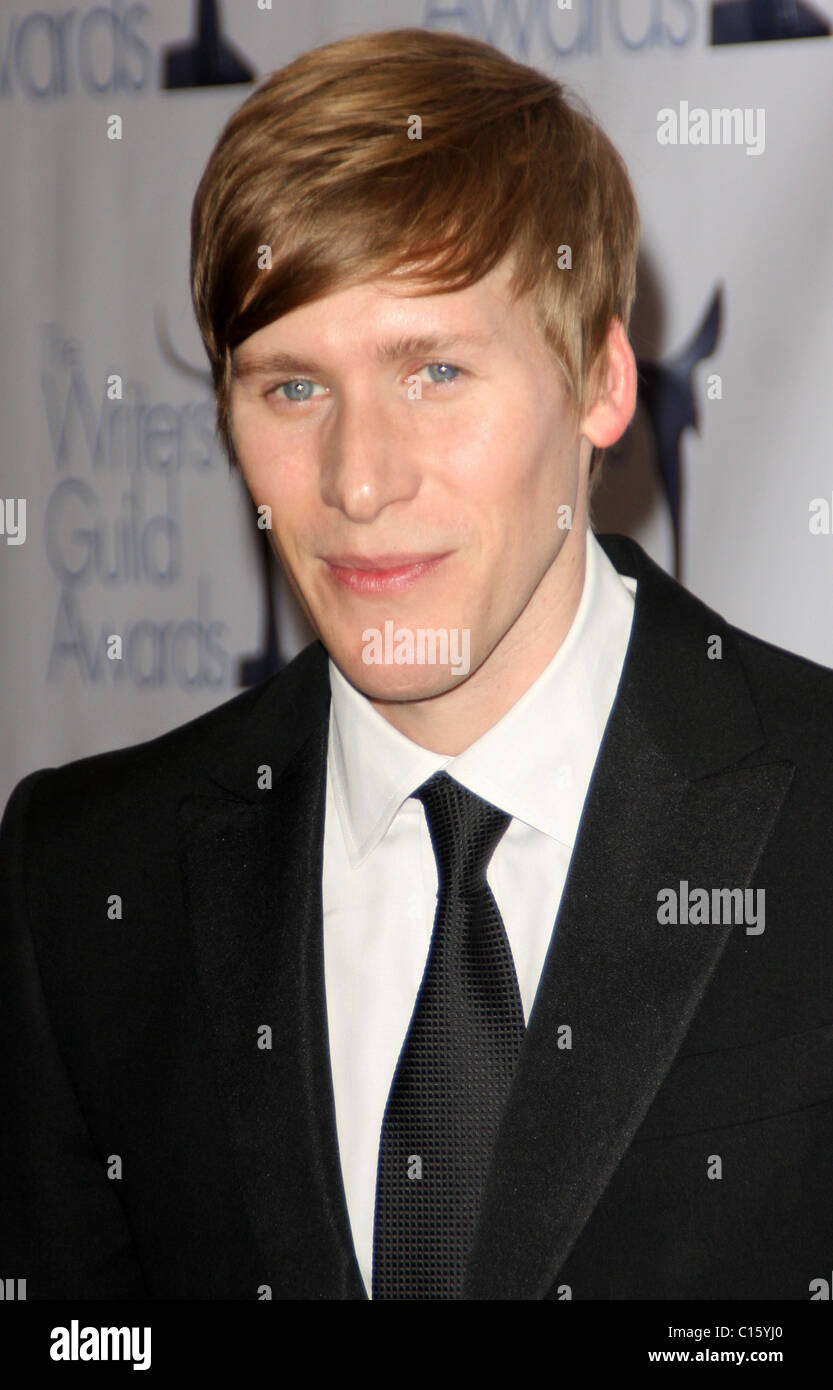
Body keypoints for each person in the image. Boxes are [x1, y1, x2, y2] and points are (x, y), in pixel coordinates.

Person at [1, 27, 831, 1302]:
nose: (357, 479)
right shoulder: (83, 879)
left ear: (601, 380)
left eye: (433, 370)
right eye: (290, 389)